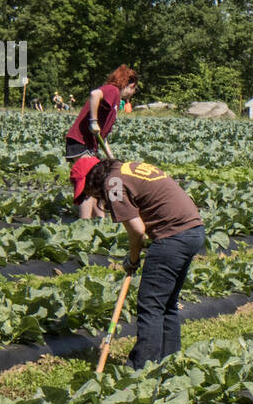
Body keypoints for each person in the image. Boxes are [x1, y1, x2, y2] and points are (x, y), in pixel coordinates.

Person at [76, 158, 205, 369]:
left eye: (88, 189)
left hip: (172, 237)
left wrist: (132, 259)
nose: (91, 195)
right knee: (167, 304)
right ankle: (169, 362)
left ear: (93, 178)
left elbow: (137, 231)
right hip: (193, 231)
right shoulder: (127, 169)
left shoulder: (113, 183)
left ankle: (143, 368)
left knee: (151, 306)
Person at [66, 65, 139, 219]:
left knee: (97, 181)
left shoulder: (115, 101)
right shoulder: (112, 90)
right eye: (134, 90)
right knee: (88, 181)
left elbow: (103, 136)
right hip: (80, 141)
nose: (132, 94)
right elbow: (94, 94)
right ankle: (85, 222)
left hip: (90, 144)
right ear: (131, 85)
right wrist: (93, 121)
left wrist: (111, 157)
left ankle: (99, 220)